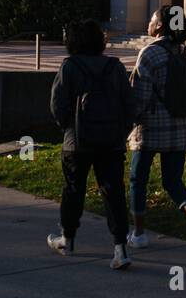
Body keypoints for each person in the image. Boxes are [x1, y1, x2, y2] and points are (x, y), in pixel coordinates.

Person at [47, 19, 135, 269]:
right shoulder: (115, 66)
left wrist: (68, 128)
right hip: (112, 142)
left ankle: (68, 238)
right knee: (113, 192)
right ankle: (120, 248)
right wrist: (122, 129)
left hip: (77, 142)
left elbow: (57, 105)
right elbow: (129, 103)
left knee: (74, 189)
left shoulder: (70, 67)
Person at [127, 5, 186, 254]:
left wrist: (128, 120)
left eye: (152, 20)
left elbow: (139, 97)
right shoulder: (181, 51)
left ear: (160, 26)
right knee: (173, 181)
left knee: (137, 179)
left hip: (151, 128)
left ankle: (139, 233)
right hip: (182, 126)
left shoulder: (150, 54)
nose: (148, 23)